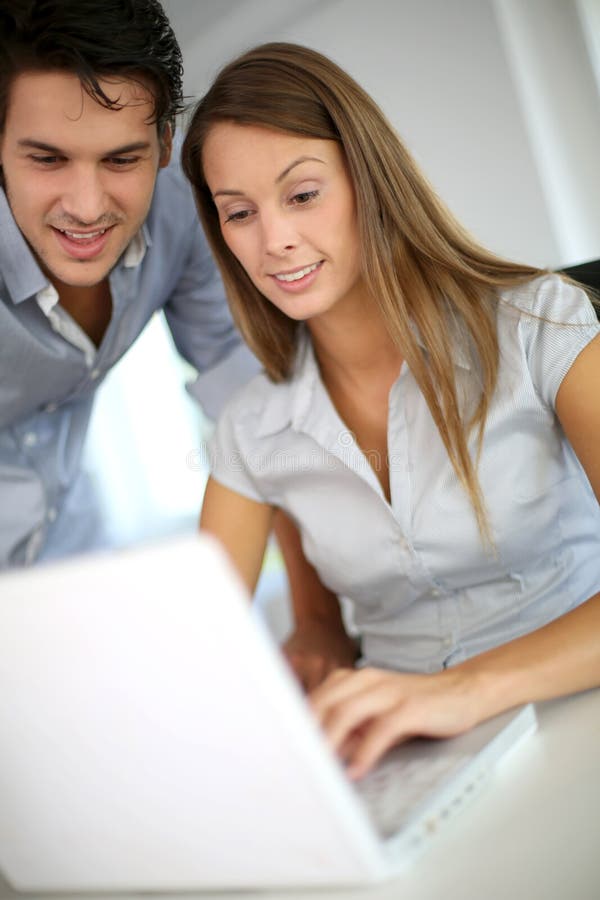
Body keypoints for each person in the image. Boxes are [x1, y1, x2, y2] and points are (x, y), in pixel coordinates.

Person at [181, 42, 600, 779]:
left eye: (302, 194)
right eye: (238, 213)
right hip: (399, 756)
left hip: (576, 706)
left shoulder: (543, 325)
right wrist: (314, 642)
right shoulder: (250, 428)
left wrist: (455, 693)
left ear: (369, 182)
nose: (273, 240)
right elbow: (190, 646)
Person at [0, 0, 265, 567]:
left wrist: (313, 615)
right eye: (48, 159)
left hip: (70, 557)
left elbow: (255, 410)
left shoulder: (179, 216)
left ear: (166, 144)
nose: (88, 208)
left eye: (121, 160)